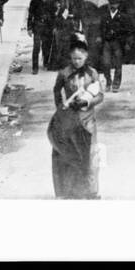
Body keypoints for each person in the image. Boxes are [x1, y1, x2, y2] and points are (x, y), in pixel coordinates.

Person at [49, 35, 104, 199]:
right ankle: (66, 191)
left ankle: (90, 191)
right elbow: (56, 91)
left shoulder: (92, 73)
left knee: (90, 155)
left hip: (87, 120)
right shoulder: (64, 73)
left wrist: (87, 102)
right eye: (74, 59)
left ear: (86, 56)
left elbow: (100, 95)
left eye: (80, 58)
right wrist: (61, 108)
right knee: (67, 155)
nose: (77, 62)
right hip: (69, 120)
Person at [100, 0, 130, 93]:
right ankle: (108, 81)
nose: (113, 6)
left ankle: (116, 84)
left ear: (118, 4)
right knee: (106, 63)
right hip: (107, 42)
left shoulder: (123, 17)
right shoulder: (104, 16)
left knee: (118, 64)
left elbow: (127, 31)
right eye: (111, 3)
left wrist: (118, 34)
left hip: (118, 42)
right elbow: (101, 29)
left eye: (115, 4)